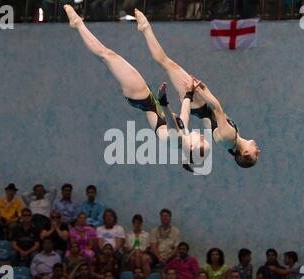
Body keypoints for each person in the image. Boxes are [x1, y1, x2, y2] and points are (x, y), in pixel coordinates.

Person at [63, 5, 210, 168]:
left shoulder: (177, 141)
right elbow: (184, 115)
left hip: (142, 98)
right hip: (147, 97)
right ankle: (144, 28)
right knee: (109, 56)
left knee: (108, 56)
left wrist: (164, 102)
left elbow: (171, 123)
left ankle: (77, 23)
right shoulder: (184, 135)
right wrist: (189, 94)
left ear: (191, 148)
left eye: (202, 141)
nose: (203, 137)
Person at [134, 9, 260, 168]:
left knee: (166, 63)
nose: (258, 150)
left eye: (255, 154)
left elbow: (217, 107)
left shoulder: (230, 137)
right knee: (168, 64)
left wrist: (198, 90)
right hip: (199, 104)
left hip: (198, 103)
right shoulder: (233, 140)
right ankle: (145, 28)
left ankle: (145, 28)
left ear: (245, 154)